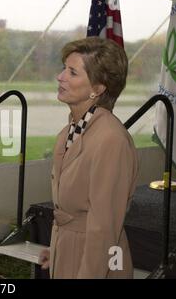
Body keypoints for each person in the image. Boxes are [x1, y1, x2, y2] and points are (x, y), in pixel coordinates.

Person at [39, 37, 138, 278]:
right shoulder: (70, 131)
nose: (60, 77)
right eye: (64, 68)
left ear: (97, 88)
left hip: (97, 265)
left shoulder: (110, 139)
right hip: (72, 255)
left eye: (72, 72)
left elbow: (104, 228)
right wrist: (58, 250)